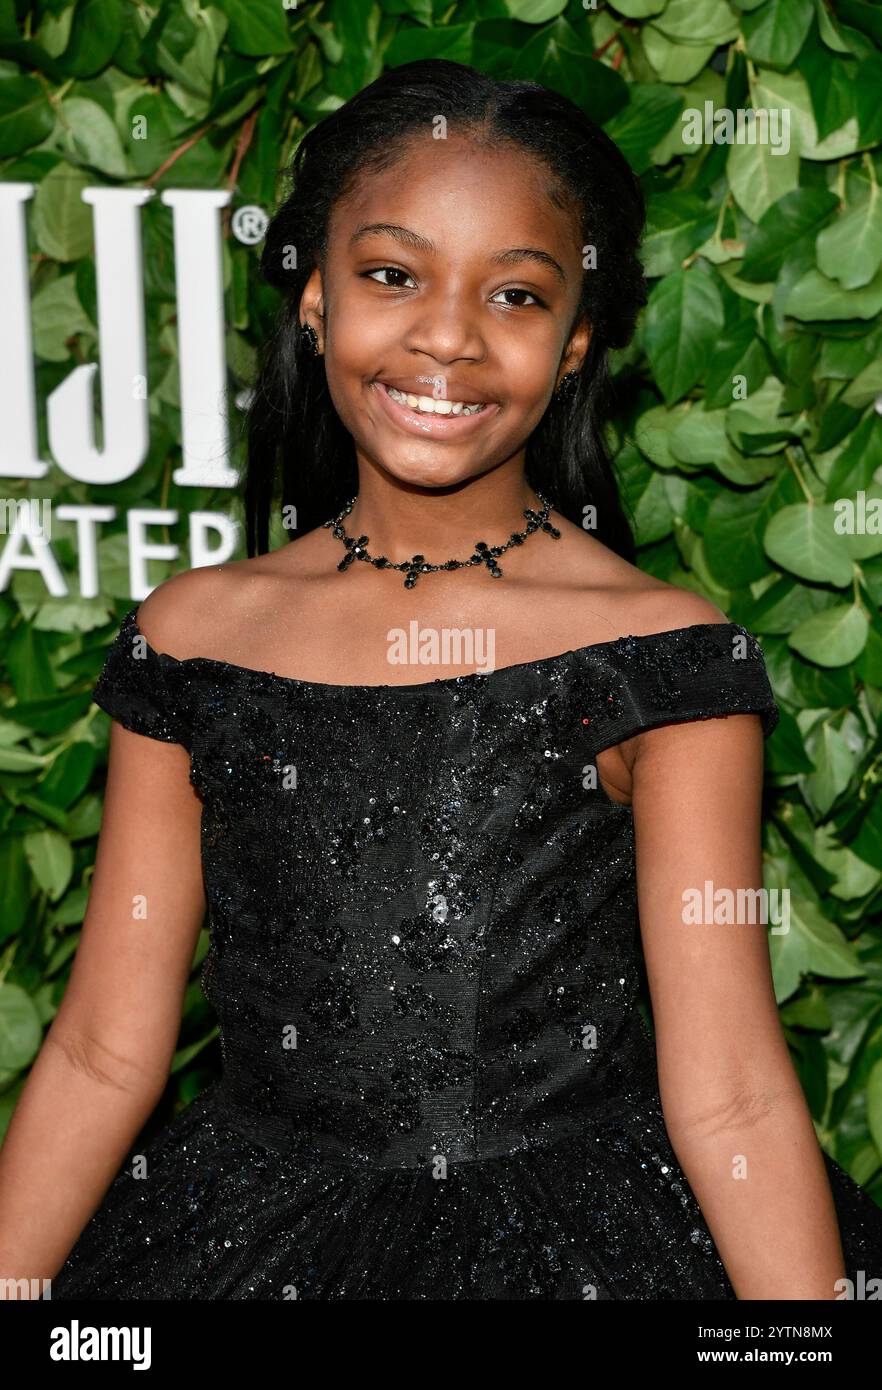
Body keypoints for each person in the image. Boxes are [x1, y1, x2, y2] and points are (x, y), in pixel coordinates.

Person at [2, 58, 881, 1301]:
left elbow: (733, 1091)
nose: (450, 336)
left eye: (515, 294)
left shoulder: (662, 658)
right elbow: (101, 1049)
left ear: (576, 344)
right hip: (241, 1243)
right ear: (315, 297)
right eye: (393, 275)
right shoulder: (194, 637)